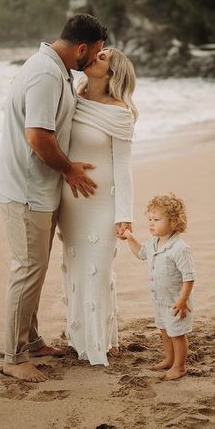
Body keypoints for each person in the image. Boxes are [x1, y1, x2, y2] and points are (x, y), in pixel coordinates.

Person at [0, 13, 108, 382]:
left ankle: (31, 341)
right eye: (94, 53)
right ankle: (13, 358)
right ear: (80, 48)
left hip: (37, 189)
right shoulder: (45, 73)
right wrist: (70, 170)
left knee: (35, 269)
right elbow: (39, 138)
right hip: (25, 191)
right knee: (27, 270)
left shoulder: (56, 71)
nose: (94, 60)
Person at [58, 47, 138, 366]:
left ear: (112, 73)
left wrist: (124, 215)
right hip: (72, 203)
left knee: (99, 271)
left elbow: (123, 167)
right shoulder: (72, 99)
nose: (94, 57)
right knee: (76, 270)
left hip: (103, 204)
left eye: (103, 58)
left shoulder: (120, 112)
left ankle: (99, 343)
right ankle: (81, 340)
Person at [120, 193, 195, 380]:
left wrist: (183, 300)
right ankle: (169, 359)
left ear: (174, 222)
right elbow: (141, 253)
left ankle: (180, 366)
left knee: (177, 334)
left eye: (157, 219)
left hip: (176, 301)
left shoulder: (180, 248)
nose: (151, 223)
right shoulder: (154, 242)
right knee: (164, 330)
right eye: (150, 219)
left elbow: (189, 277)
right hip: (159, 299)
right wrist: (129, 236)